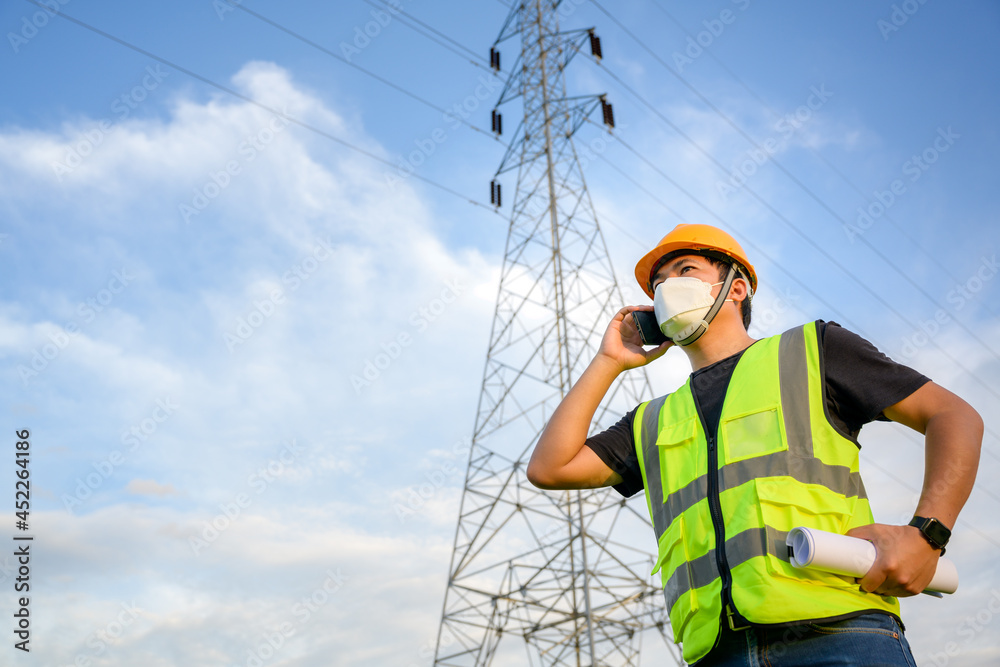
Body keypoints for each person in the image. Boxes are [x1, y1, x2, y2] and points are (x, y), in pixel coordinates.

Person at [525, 223, 982, 666]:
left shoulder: (812, 350)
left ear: (736, 288)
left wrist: (928, 535)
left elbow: (954, 416)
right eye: (658, 284)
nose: (667, 288)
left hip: (839, 634)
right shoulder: (651, 421)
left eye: (685, 270)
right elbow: (550, 468)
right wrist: (609, 361)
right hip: (716, 655)